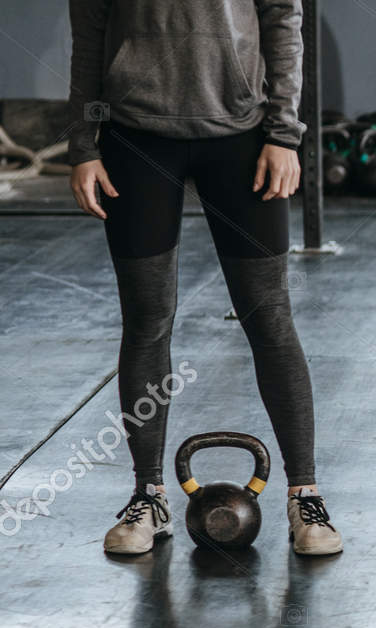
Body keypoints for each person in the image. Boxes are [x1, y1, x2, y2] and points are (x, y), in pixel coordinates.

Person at [67, 0, 341, 556]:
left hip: (242, 136)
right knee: (147, 319)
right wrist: (83, 143)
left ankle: (305, 494)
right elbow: (90, 36)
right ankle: (148, 494)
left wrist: (284, 133)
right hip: (134, 137)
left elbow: (283, 20)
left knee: (269, 317)